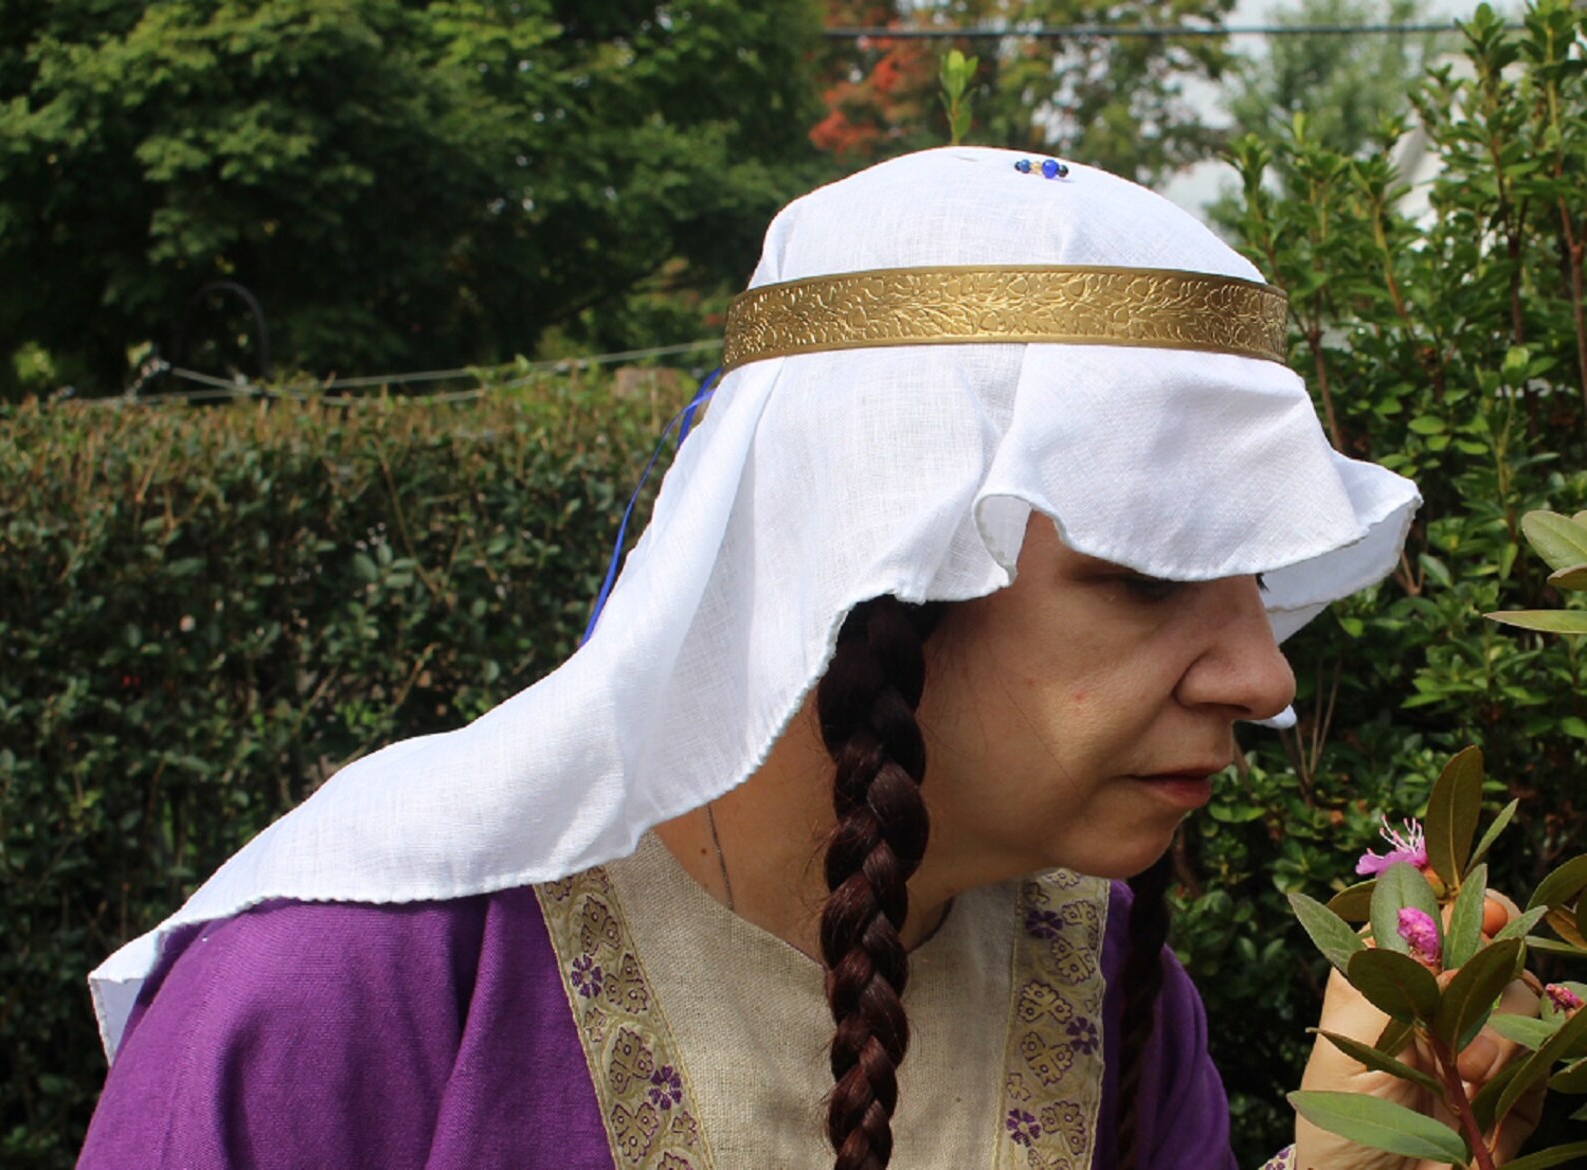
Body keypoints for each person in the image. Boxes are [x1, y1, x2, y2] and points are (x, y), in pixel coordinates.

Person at [77, 147, 1533, 1170]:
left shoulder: (1101, 986)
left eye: (1258, 573)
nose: (1264, 675)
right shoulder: (350, 989)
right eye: (1146, 568)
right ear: (874, 556)